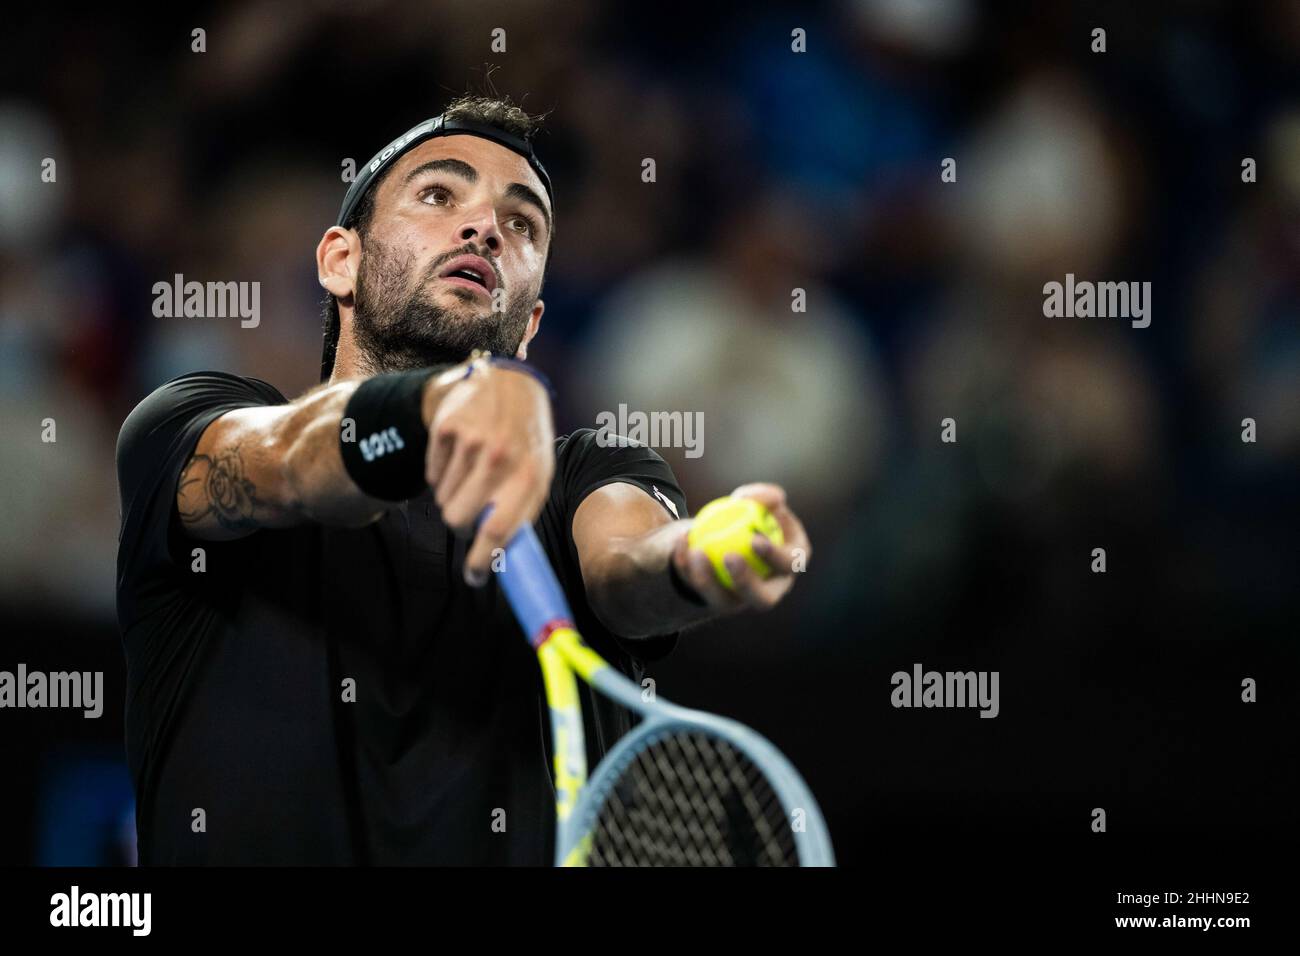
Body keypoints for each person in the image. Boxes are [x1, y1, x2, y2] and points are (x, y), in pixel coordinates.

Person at [115, 95, 812, 865]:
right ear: (339, 260)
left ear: (532, 323)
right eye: (439, 194)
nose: (485, 228)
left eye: (523, 224)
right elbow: (282, 462)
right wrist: (439, 406)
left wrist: (694, 559)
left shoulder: (587, 472)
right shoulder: (190, 421)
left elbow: (624, 567)